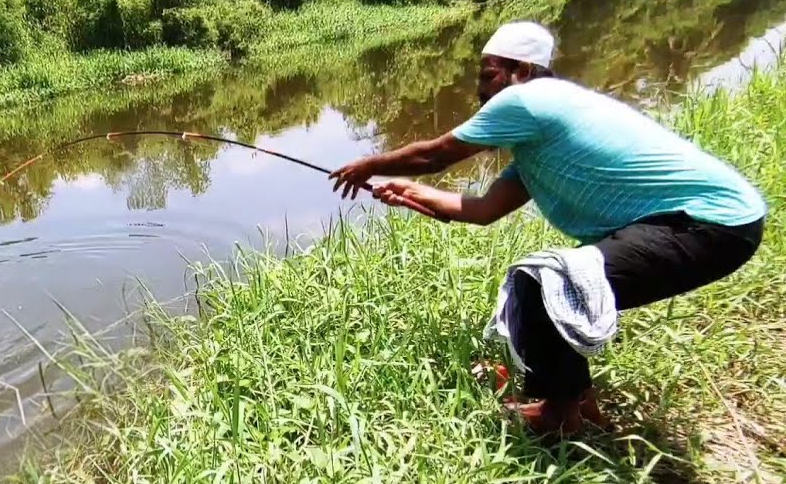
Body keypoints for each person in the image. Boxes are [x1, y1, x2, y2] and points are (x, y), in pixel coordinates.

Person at [329, 21, 768, 434]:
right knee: (560, 282)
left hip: (708, 222)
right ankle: (582, 405)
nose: (481, 91)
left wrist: (364, 164)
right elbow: (483, 210)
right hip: (716, 225)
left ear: (520, 71)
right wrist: (407, 192)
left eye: (488, 75)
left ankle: (557, 414)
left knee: (545, 282)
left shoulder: (527, 100)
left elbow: (435, 157)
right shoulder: (540, 140)